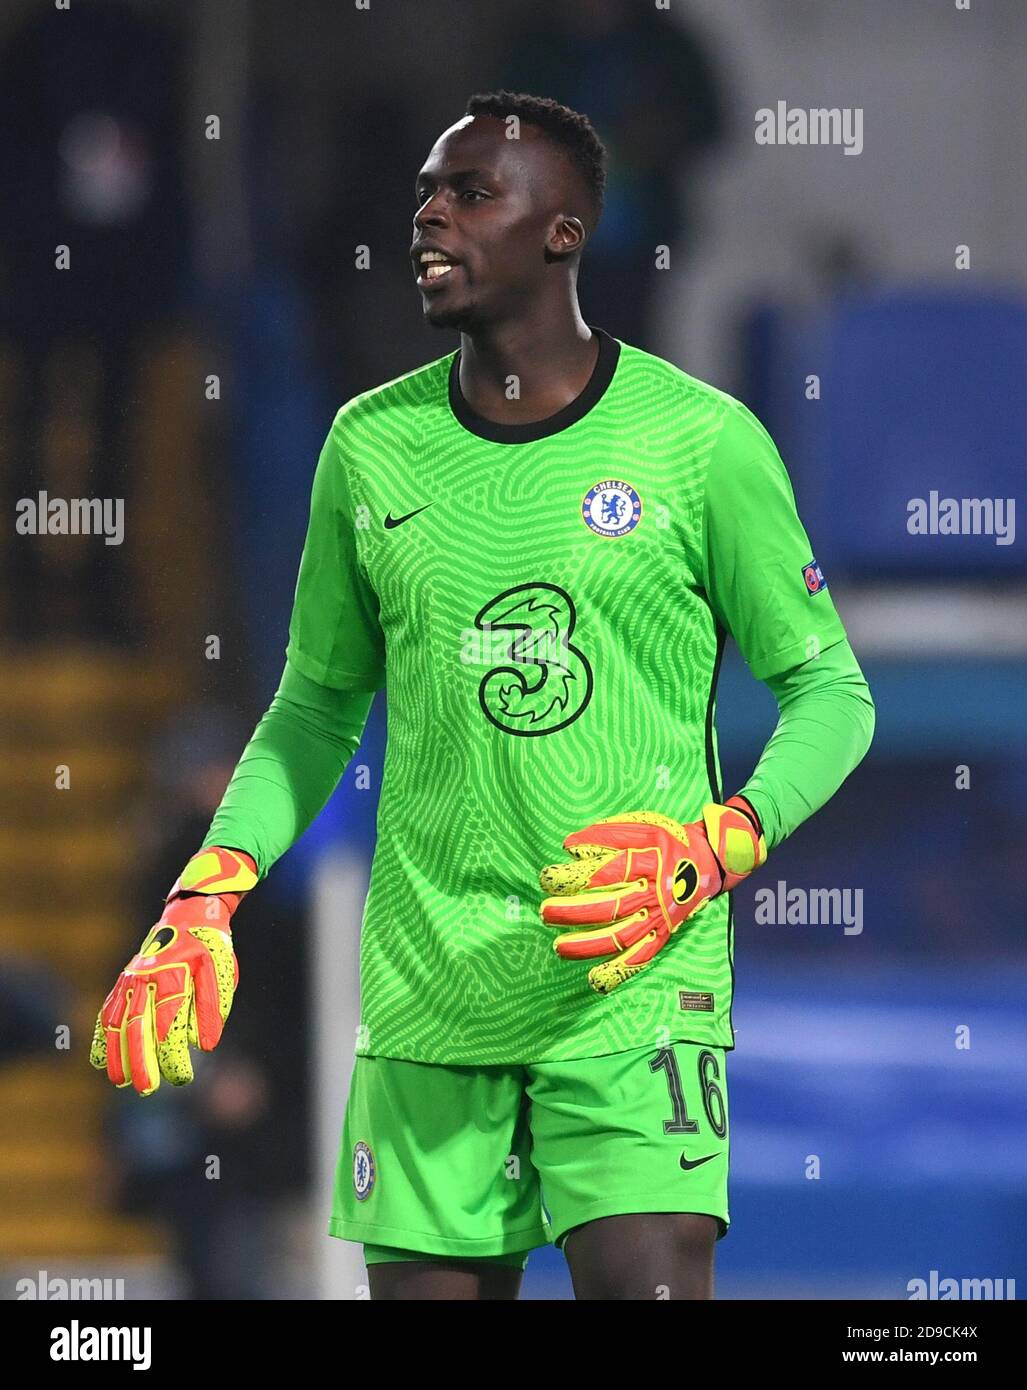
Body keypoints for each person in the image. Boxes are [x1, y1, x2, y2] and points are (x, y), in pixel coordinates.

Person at [92, 92, 875, 1301]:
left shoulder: (699, 442)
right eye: (424, 193)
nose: (429, 217)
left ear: (562, 232)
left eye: (470, 193)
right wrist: (205, 895)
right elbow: (313, 706)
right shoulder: (369, 448)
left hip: (628, 989)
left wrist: (716, 845)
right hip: (427, 1004)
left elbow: (830, 690)